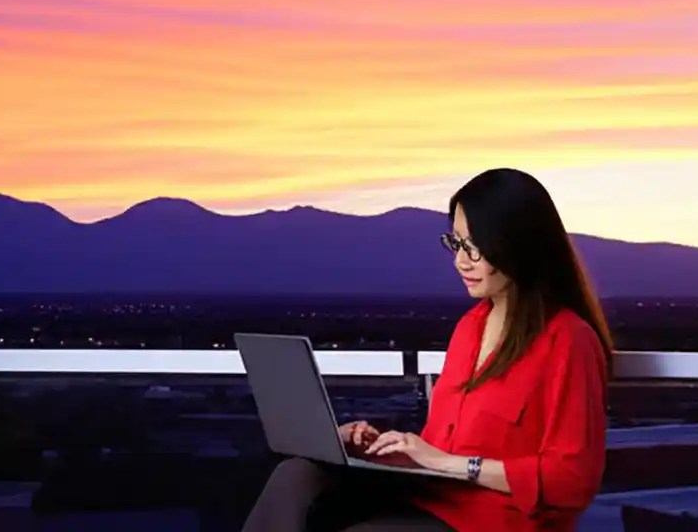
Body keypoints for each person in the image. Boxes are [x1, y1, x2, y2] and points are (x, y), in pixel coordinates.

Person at [241, 168, 613, 531]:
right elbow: (436, 450)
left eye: (474, 248)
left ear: (517, 245)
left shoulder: (568, 340)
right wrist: (386, 450)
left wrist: (452, 464)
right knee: (296, 475)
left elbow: (572, 480)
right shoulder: (470, 328)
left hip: (493, 519)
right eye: (456, 243)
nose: (460, 261)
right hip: (433, 497)